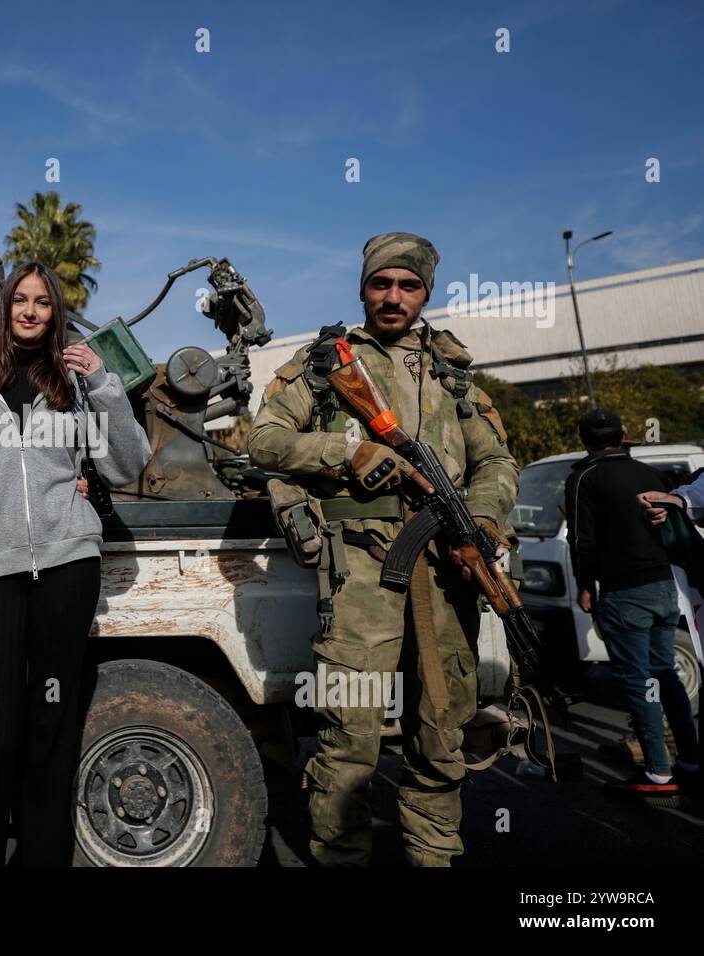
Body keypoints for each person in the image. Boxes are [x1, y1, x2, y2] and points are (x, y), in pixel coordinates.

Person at [248, 232, 519, 867]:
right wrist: (348, 451)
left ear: (426, 292)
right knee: (350, 741)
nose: (393, 297)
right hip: (362, 581)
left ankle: (433, 858)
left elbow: (498, 462)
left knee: (441, 737)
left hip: (449, 576)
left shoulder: (453, 375)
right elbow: (262, 442)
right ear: (363, 286)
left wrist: (479, 516)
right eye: (381, 283)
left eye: (408, 285)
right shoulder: (324, 365)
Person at [0, 261, 152, 866]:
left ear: (55, 313)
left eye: (43, 303)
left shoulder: (76, 383)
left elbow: (127, 465)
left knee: (51, 729)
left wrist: (106, 384)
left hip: (67, 569)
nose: (30, 311)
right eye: (20, 301)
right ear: (4, 309)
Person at [564, 408, 700, 798]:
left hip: (624, 593)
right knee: (665, 674)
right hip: (662, 586)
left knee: (639, 682)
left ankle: (658, 772)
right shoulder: (652, 475)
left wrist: (585, 584)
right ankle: (690, 760)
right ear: (624, 437)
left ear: (585, 440)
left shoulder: (583, 478)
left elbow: (582, 540)